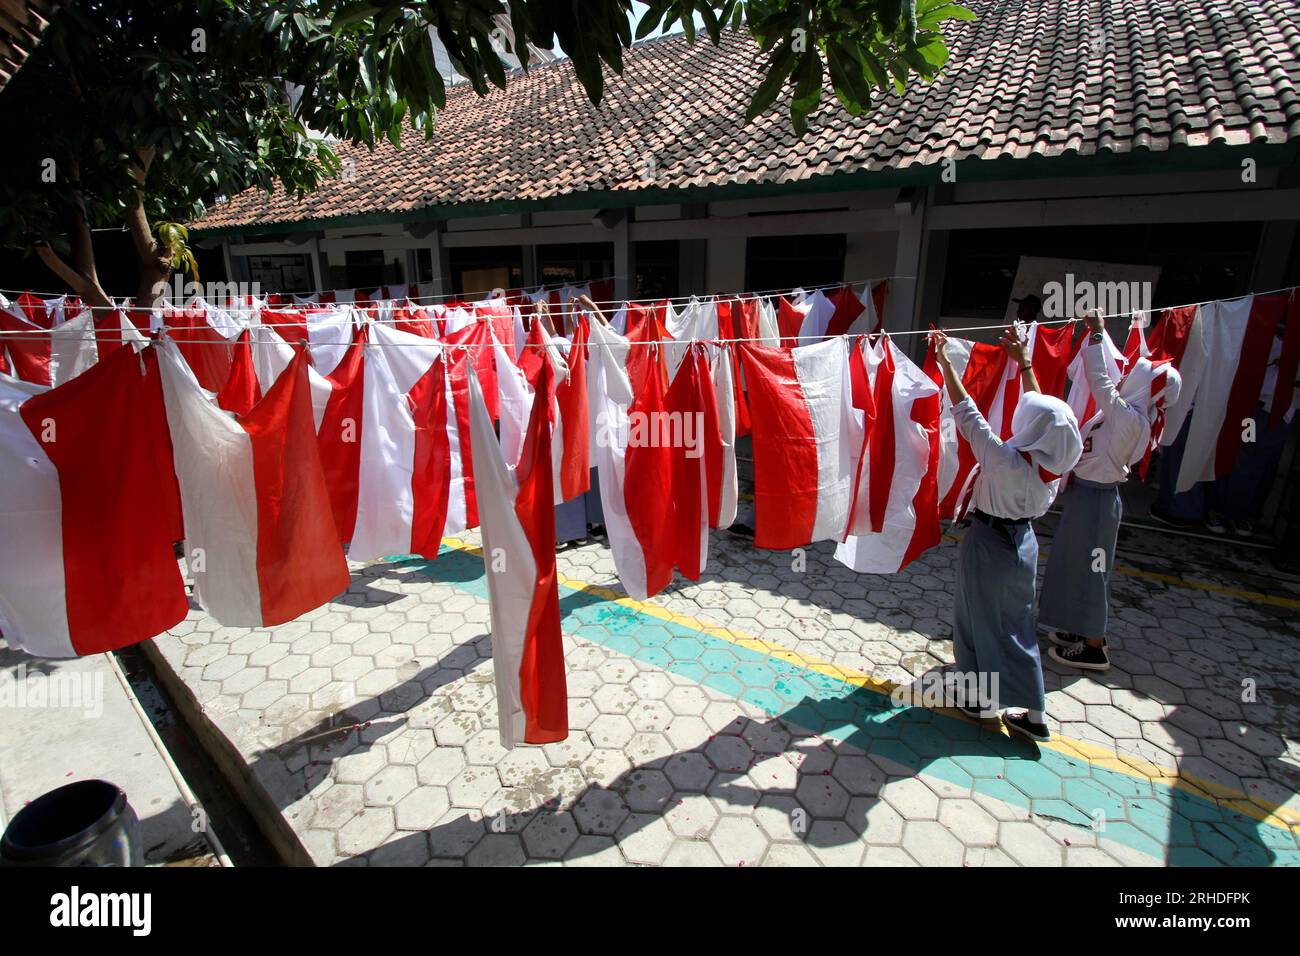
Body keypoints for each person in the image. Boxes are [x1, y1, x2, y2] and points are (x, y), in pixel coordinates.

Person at [933, 326, 1083, 742]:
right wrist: (1026, 365)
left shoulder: (1005, 461)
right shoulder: (1054, 464)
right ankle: (1034, 714)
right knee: (1017, 626)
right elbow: (1050, 421)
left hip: (989, 544)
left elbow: (967, 414)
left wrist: (945, 364)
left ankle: (979, 697)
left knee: (975, 618)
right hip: (1025, 544)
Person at [1039, 309, 1183, 671]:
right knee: (1074, 564)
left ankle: (1094, 646)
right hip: (1090, 495)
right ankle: (1078, 627)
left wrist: (1099, 333)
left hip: (1098, 500)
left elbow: (1100, 379)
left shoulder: (1129, 417)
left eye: (1142, 375)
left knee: (1092, 572)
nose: (1134, 374)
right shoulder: (1134, 412)